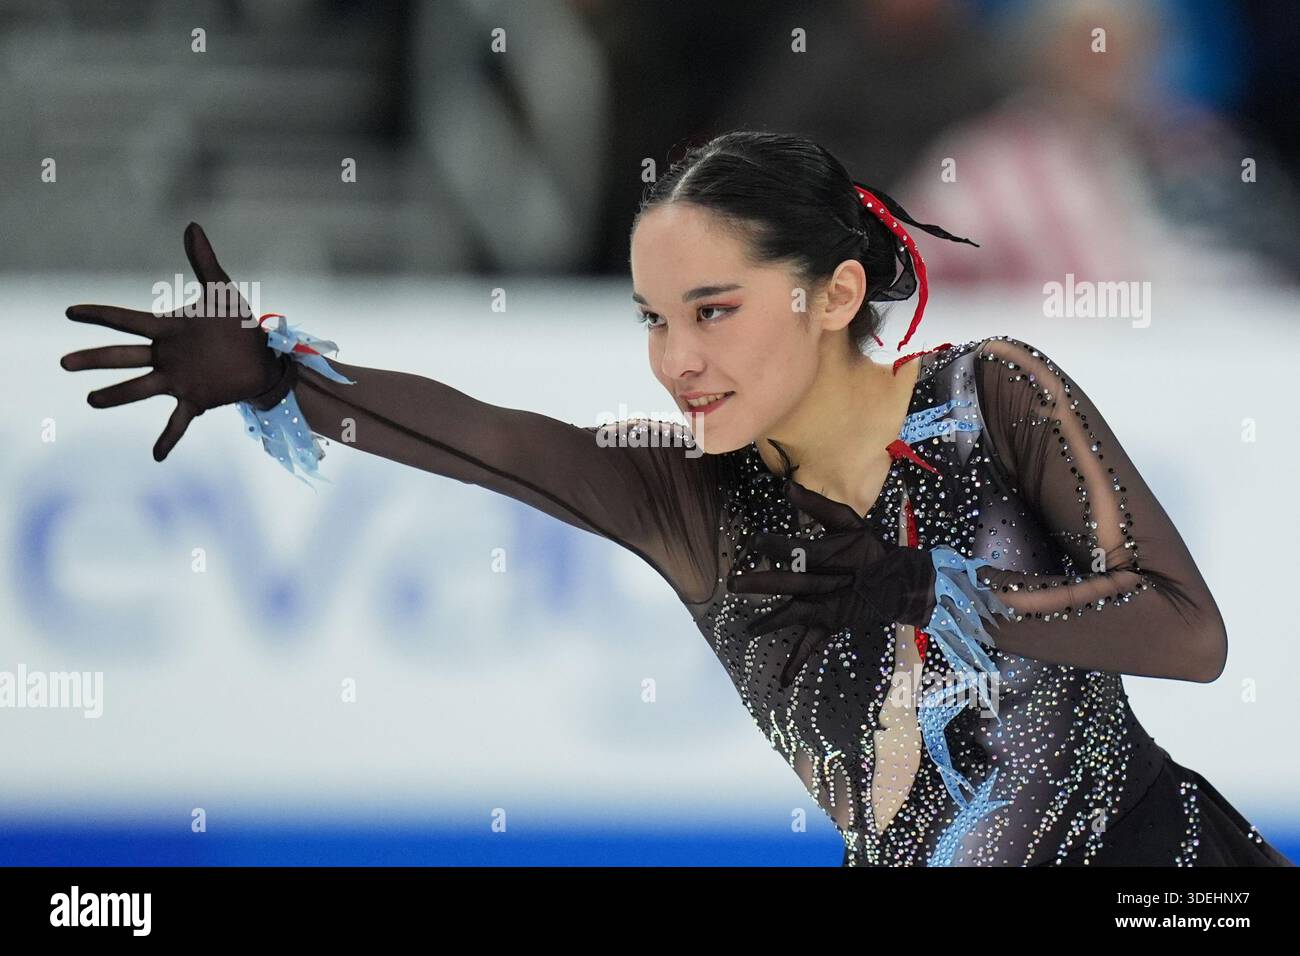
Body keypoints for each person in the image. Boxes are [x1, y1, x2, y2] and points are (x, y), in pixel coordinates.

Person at [60, 131, 1293, 867]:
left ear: (829, 290)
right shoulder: (685, 494)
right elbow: (493, 438)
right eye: (654, 319)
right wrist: (287, 374)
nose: (677, 360)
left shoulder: (992, 393)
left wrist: (935, 586)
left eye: (713, 310)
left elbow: (1186, 627)